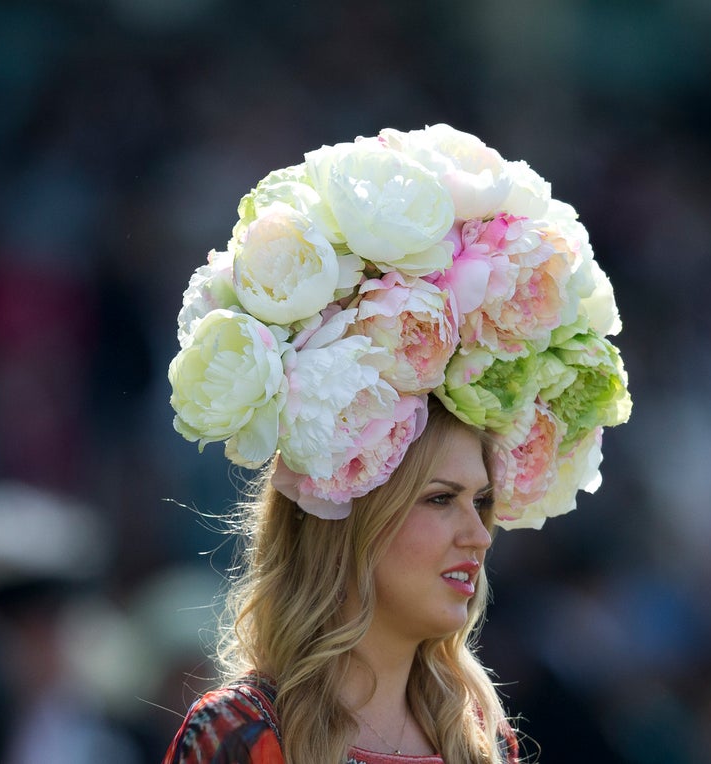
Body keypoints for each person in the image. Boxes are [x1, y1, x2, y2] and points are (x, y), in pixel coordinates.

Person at [161, 124, 631, 763]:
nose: (479, 535)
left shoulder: (484, 741)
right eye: (440, 499)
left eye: (483, 502)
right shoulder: (243, 735)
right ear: (352, 509)